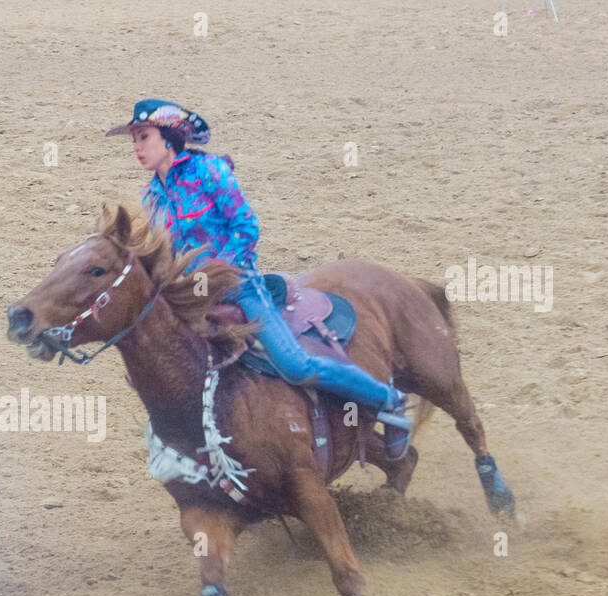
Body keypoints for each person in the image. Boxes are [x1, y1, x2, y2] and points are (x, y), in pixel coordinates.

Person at [106, 99, 411, 434]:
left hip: (240, 286)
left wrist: (218, 271)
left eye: (143, 136)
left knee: (296, 365)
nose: (136, 147)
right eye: (134, 139)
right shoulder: (152, 195)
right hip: (191, 295)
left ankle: (389, 397)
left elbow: (246, 227)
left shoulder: (209, 170)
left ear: (168, 138)